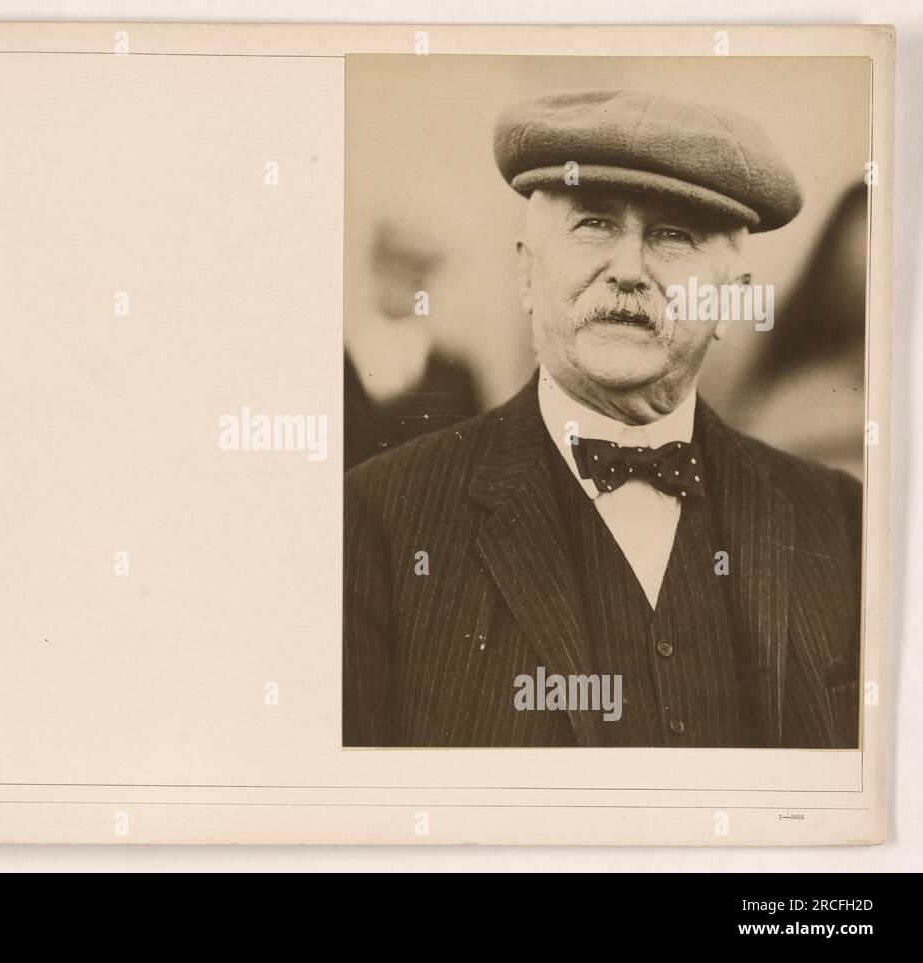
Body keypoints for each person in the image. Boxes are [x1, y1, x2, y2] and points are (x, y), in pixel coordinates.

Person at [343, 90, 862, 749]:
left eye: (674, 235)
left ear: (732, 298)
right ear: (527, 273)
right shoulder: (379, 518)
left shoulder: (841, 522)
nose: (627, 271)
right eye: (594, 224)